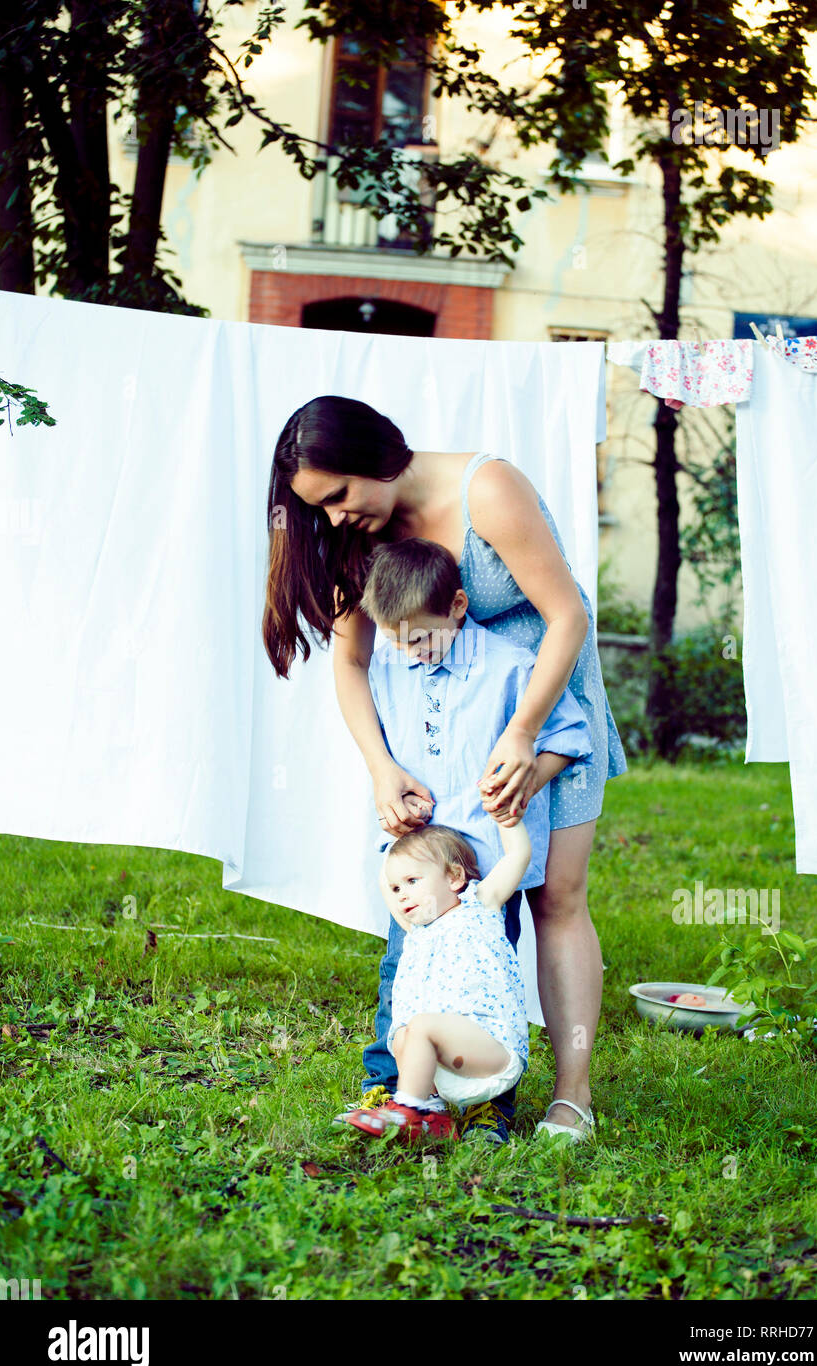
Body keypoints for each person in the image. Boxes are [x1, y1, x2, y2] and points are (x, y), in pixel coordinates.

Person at [263, 395, 627, 1141]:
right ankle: (413, 1085)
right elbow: (354, 659)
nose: (332, 517)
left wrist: (527, 733)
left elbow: (567, 617)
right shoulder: (363, 534)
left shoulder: (485, 490)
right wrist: (381, 767)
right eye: (317, 507)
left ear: (376, 455)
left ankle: (571, 1096)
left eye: (337, 495)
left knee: (555, 896)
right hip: (452, 744)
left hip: (544, 713)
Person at [331, 536, 591, 1142]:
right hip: (417, 865)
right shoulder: (395, 668)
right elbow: (387, 750)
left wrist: (525, 781)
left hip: (479, 874)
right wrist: (389, 785)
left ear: (456, 606)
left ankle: (487, 1103)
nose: (411, 653)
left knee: (482, 979)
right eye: (397, 642)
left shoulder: (509, 666)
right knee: (401, 969)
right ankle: (392, 1085)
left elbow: (569, 734)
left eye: (421, 639)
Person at [345, 820, 533, 1143]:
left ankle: (408, 1110)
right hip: (444, 1070)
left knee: (421, 1027)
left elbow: (518, 855)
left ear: (455, 877)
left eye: (412, 881)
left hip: (490, 1051)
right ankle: (431, 1112)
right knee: (403, 1034)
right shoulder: (416, 931)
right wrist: (395, 834)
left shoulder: (480, 905)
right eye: (397, 888)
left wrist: (506, 817)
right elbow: (384, 879)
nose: (402, 894)